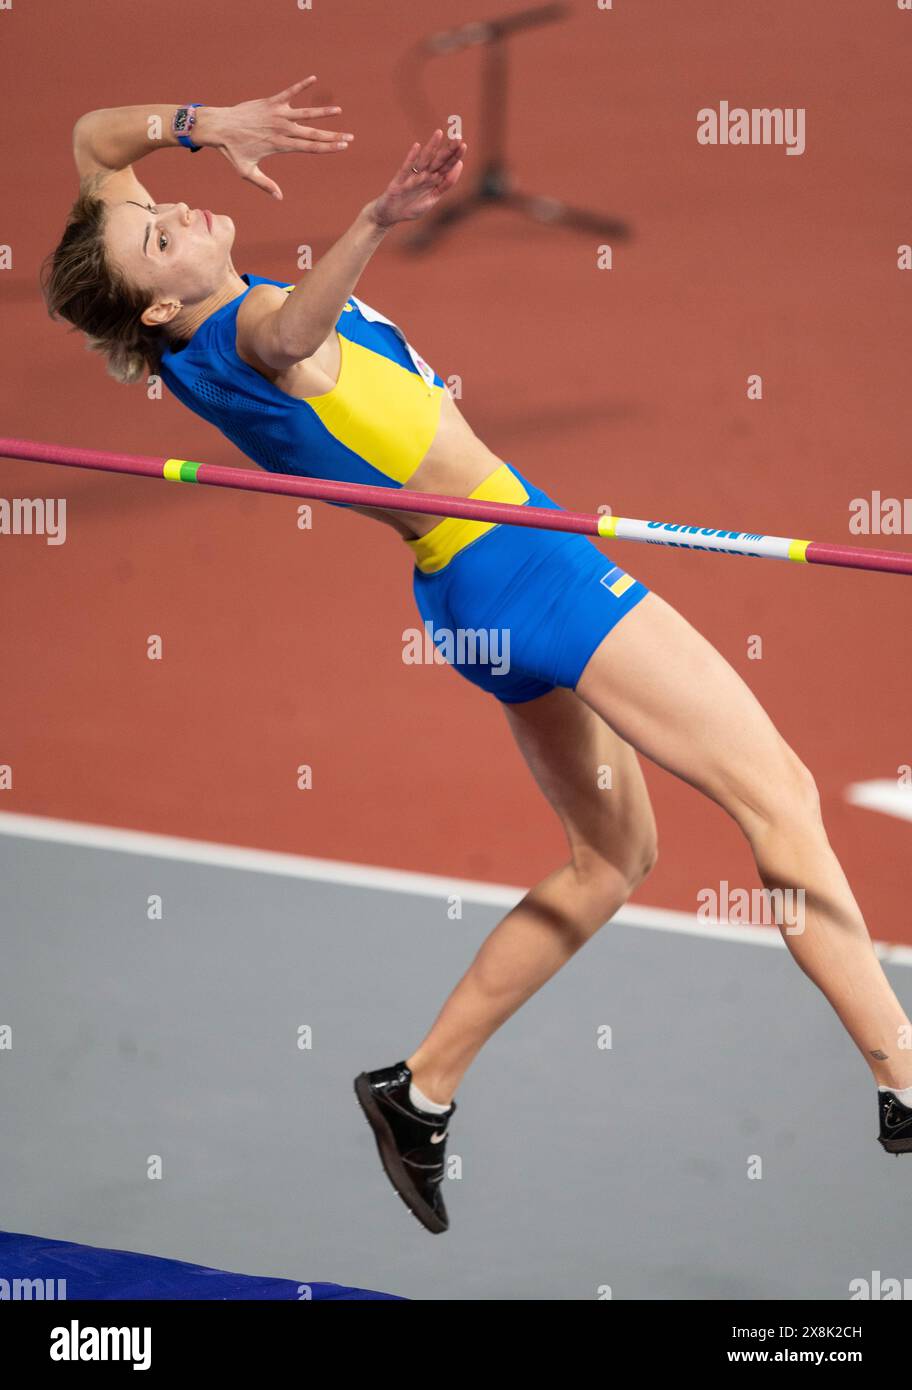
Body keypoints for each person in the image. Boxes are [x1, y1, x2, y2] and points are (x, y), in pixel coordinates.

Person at [43, 80, 912, 1236]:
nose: (182, 213)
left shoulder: (182, 319)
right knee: (782, 799)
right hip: (531, 571)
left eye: (170, 205)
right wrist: (375, 217)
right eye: (161, 233)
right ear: (154, 307)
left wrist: (198, 125)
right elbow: (296, 332)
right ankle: (901, 1073)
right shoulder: (242, 333)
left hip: (470, 590)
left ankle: (420, 1088)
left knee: (613, 859)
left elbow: (92, 146)